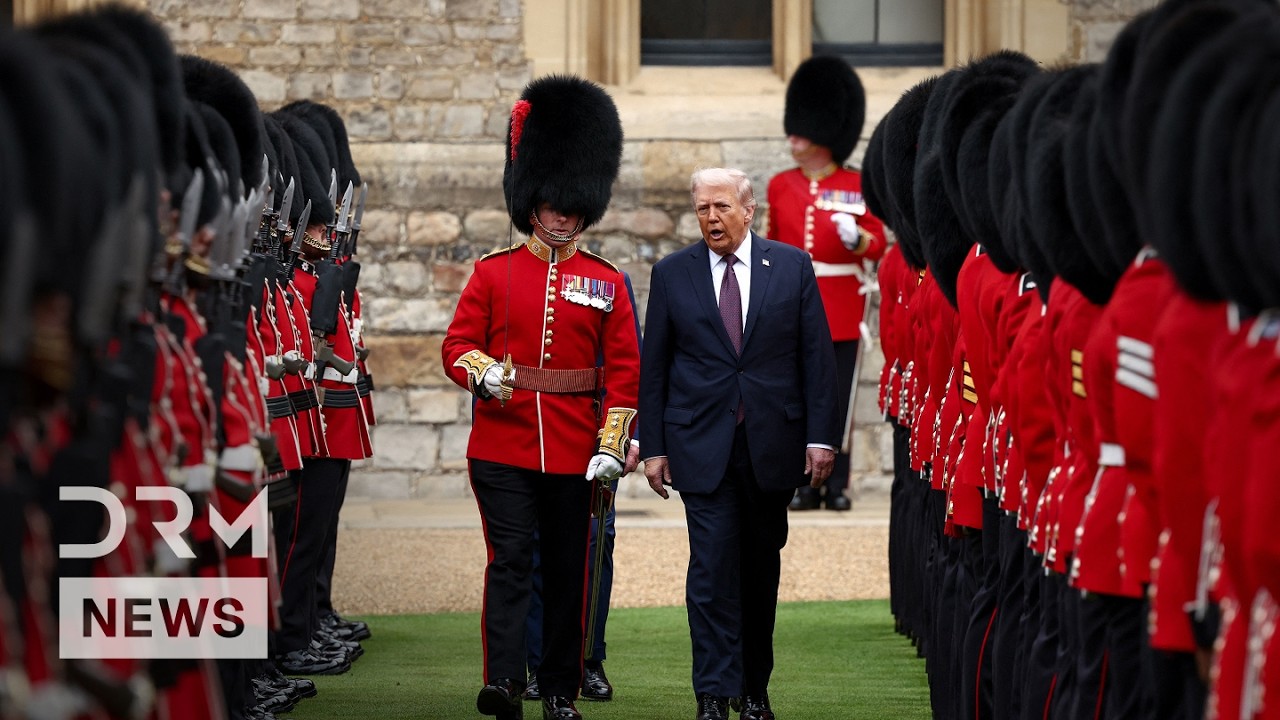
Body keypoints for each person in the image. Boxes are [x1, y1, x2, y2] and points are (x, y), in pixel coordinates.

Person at [442, 74, 640, 720]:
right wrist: (482, 372)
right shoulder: (493, 272)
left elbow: (623, 374)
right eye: (552, 204)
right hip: (501, 445)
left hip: (575, 452)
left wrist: (612, 445)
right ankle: (503, 681)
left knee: (566, 572)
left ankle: (559, 688)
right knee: (509, 563)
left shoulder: (605, 282)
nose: (561, 215)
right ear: (531, 201)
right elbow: (456, 344)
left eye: (572, 206)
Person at [639, 167, 840, 720]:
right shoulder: (673, 273)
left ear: (749, 211)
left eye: (722, 207)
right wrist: (653, 446)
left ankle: (754, 691)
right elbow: (653, 369)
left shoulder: (793, 267)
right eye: (702, 208)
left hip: (771, 447)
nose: (711, 218)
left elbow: (817, 360)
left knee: (758, 573)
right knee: (708, 574)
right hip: (700, 447)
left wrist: (821, 437)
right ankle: (712, 694)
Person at [766, 56, 886, 512]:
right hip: (796, 302)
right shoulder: (781, 185)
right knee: (796, 394)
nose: (792, 138)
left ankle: (836, 484)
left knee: (839, 396)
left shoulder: (856, 184)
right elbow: (772, 247)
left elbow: (878, 245)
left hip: (842, 304)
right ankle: (803, 481)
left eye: (801, 130)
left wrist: (858, 241)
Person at [523, 272, 641, 705]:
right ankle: (540, 662)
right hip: (532, 436)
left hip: (592, 441)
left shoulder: (607, 282)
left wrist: (628, 437)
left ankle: (589, 659)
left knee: (595, 548)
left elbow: (628, 362)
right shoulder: (517, 276)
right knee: (534, 549)